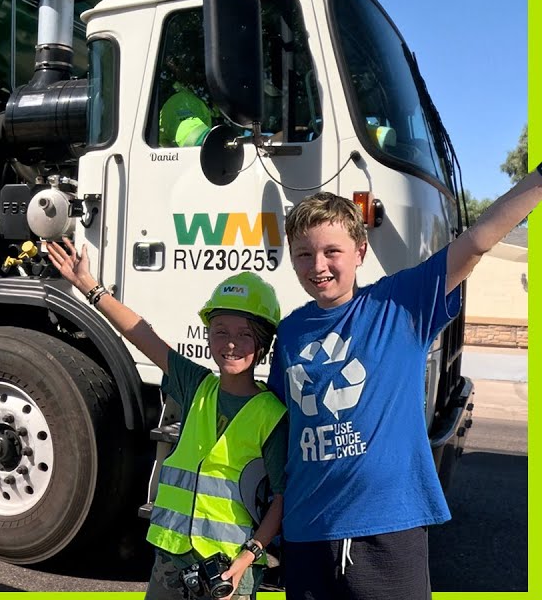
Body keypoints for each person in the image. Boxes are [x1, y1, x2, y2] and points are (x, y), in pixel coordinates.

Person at [268, 166, 542, 600]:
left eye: (332, 251)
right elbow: (279, 424)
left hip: (387, 529)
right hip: (307, 531)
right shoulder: (289, 333)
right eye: (304, 254)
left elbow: (477, 241)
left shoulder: (400, 303)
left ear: (360, 251)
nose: (318, 265)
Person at [45, 238, 287, 600]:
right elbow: (142, 334)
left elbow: (282, 498)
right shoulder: (196, 385)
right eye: (221, 331)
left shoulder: (272, 414)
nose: (231, 343)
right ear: (208, 335)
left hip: (229, 568)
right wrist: (89, 286)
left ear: (263, 344)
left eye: (245, 335)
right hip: (171, 559)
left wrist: (249, 556)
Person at [158, 83, 214, 147]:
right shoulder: (194, 100)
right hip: (204, 137)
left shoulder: (164, 110)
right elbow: (207, 117)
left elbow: (164, 142)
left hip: (191, 143)